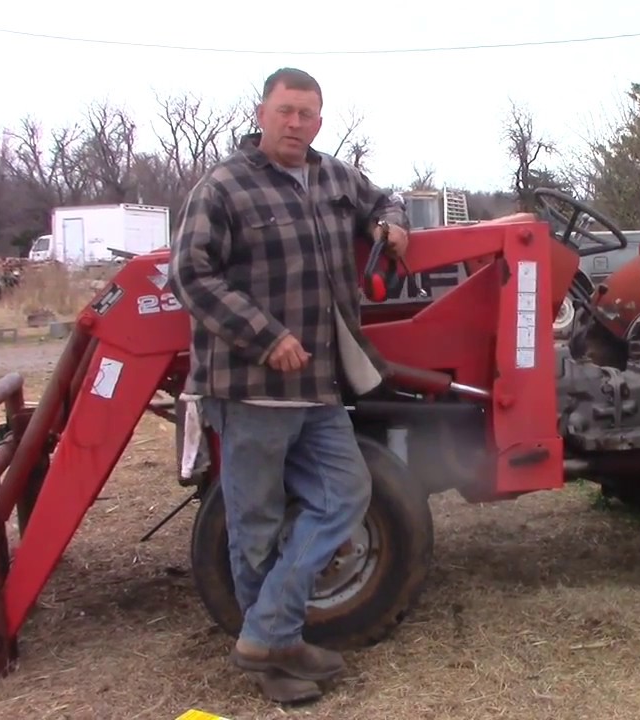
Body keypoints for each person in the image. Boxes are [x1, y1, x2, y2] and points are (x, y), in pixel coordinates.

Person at [167, 67, 409, 684]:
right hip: (251, 389)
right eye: (285, 111)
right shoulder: (222, 187)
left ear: (319, 121)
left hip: (320, 384)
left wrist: (390, 222)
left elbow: (384, 199)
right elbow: (191, 276)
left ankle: (267, 635)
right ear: (261, 114)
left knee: (345, 494)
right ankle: (275, 657)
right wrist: (266, 336)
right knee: (255, 526)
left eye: (307, 114)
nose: (296, 123)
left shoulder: (332, 176)